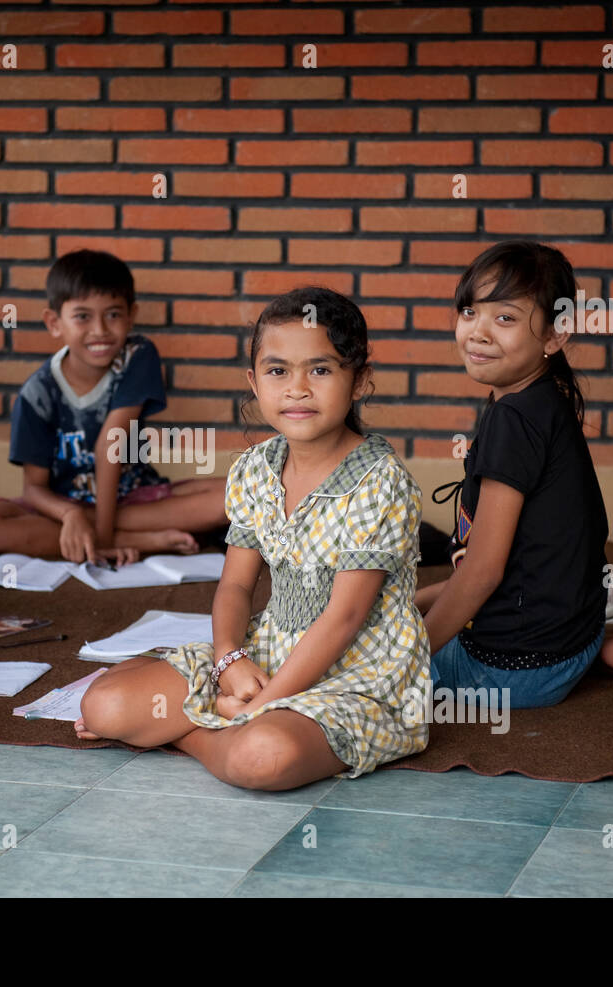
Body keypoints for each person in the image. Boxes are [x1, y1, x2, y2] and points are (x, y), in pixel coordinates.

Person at [74, 287, 431, 791]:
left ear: (360, 381)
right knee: (103, 704)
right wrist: (229, 660)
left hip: (358, 675)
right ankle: (215, 725)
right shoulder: (254, 470)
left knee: (263, 757)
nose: (297, 389)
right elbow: (236, 587)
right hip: (267, 652)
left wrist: (261, 706)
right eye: (278, 370)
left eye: (321, 370)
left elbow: (344, 617)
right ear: (254, 382)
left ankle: (189, 734)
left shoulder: (380, 480)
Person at [415, 240, 613, 708]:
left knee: (348, 660)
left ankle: (582, 664)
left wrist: (404, 655)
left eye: (505, 318)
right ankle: (605, 654)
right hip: (574, 635)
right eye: (469, 312)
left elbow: (481, 574)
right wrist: (409, 602)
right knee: (389, 614)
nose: (477, 332)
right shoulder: (545, 395)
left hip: (508, 671)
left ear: (556, 335)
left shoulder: (514, 421)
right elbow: (512, 563)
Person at [0, 249, 227, 564]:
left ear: (131, 315)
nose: (99, 330)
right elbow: (33, 489)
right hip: (66, 508)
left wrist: (103, 532)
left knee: (237, 496)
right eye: (83, 316)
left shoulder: (137, 355)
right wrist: (72, 516)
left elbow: (109, 446)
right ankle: (142, 542)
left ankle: (99, 537)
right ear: (54, 322)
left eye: (113, 314)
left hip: (133, 503)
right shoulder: (36, 394)